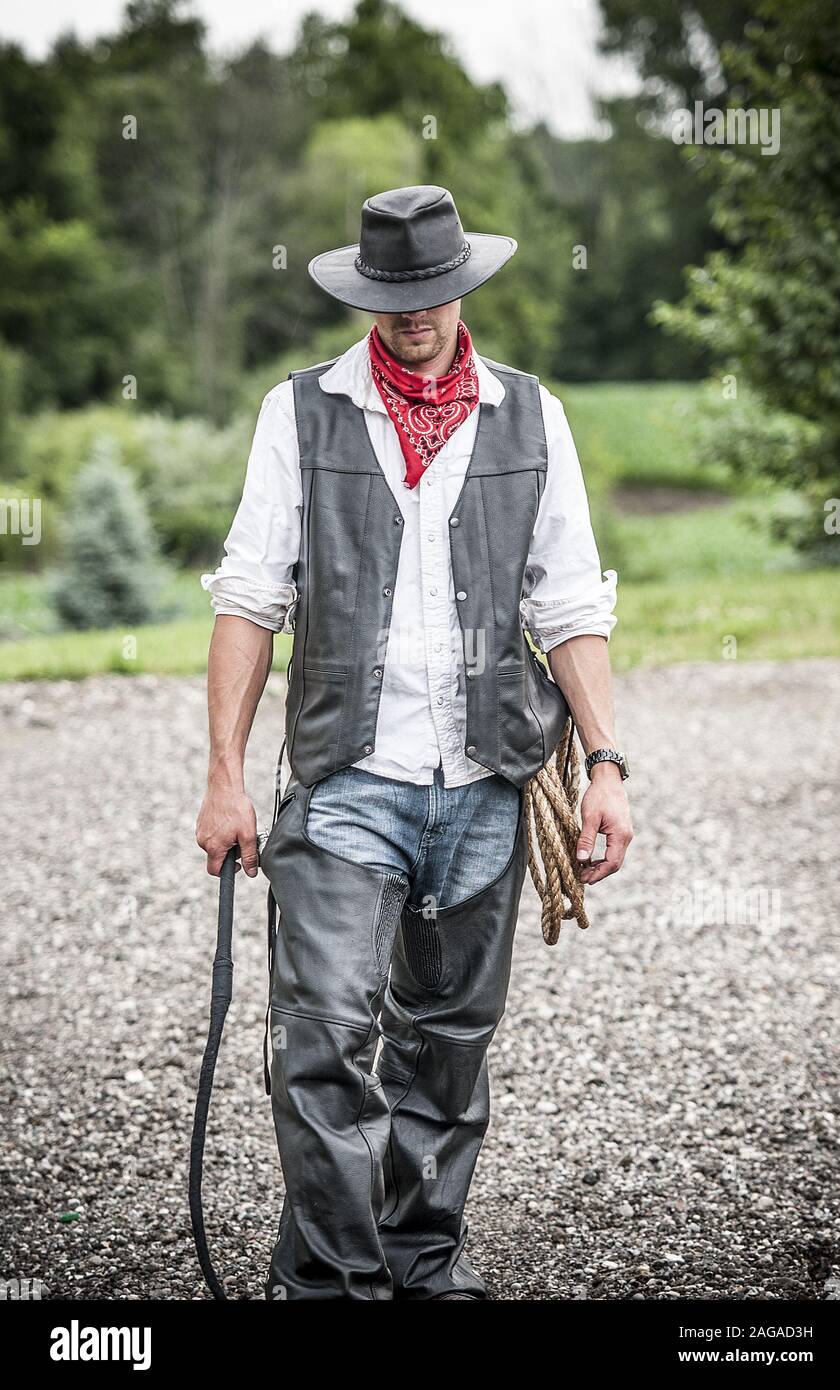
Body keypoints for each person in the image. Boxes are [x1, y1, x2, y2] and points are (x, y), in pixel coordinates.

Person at [197, 185, 633, 1300]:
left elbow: (567, 603)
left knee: (446, 1049)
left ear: (462, 287)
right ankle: (334, 1282)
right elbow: (249, 599)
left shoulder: (529, 415)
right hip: (347, 783)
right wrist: (224, 778)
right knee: (322, 1042)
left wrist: (605, 765)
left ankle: (421, 1261)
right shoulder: (300, 412)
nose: (414, 317)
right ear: (366, 298)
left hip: (486, 784)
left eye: (433, 293)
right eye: (392, 299)